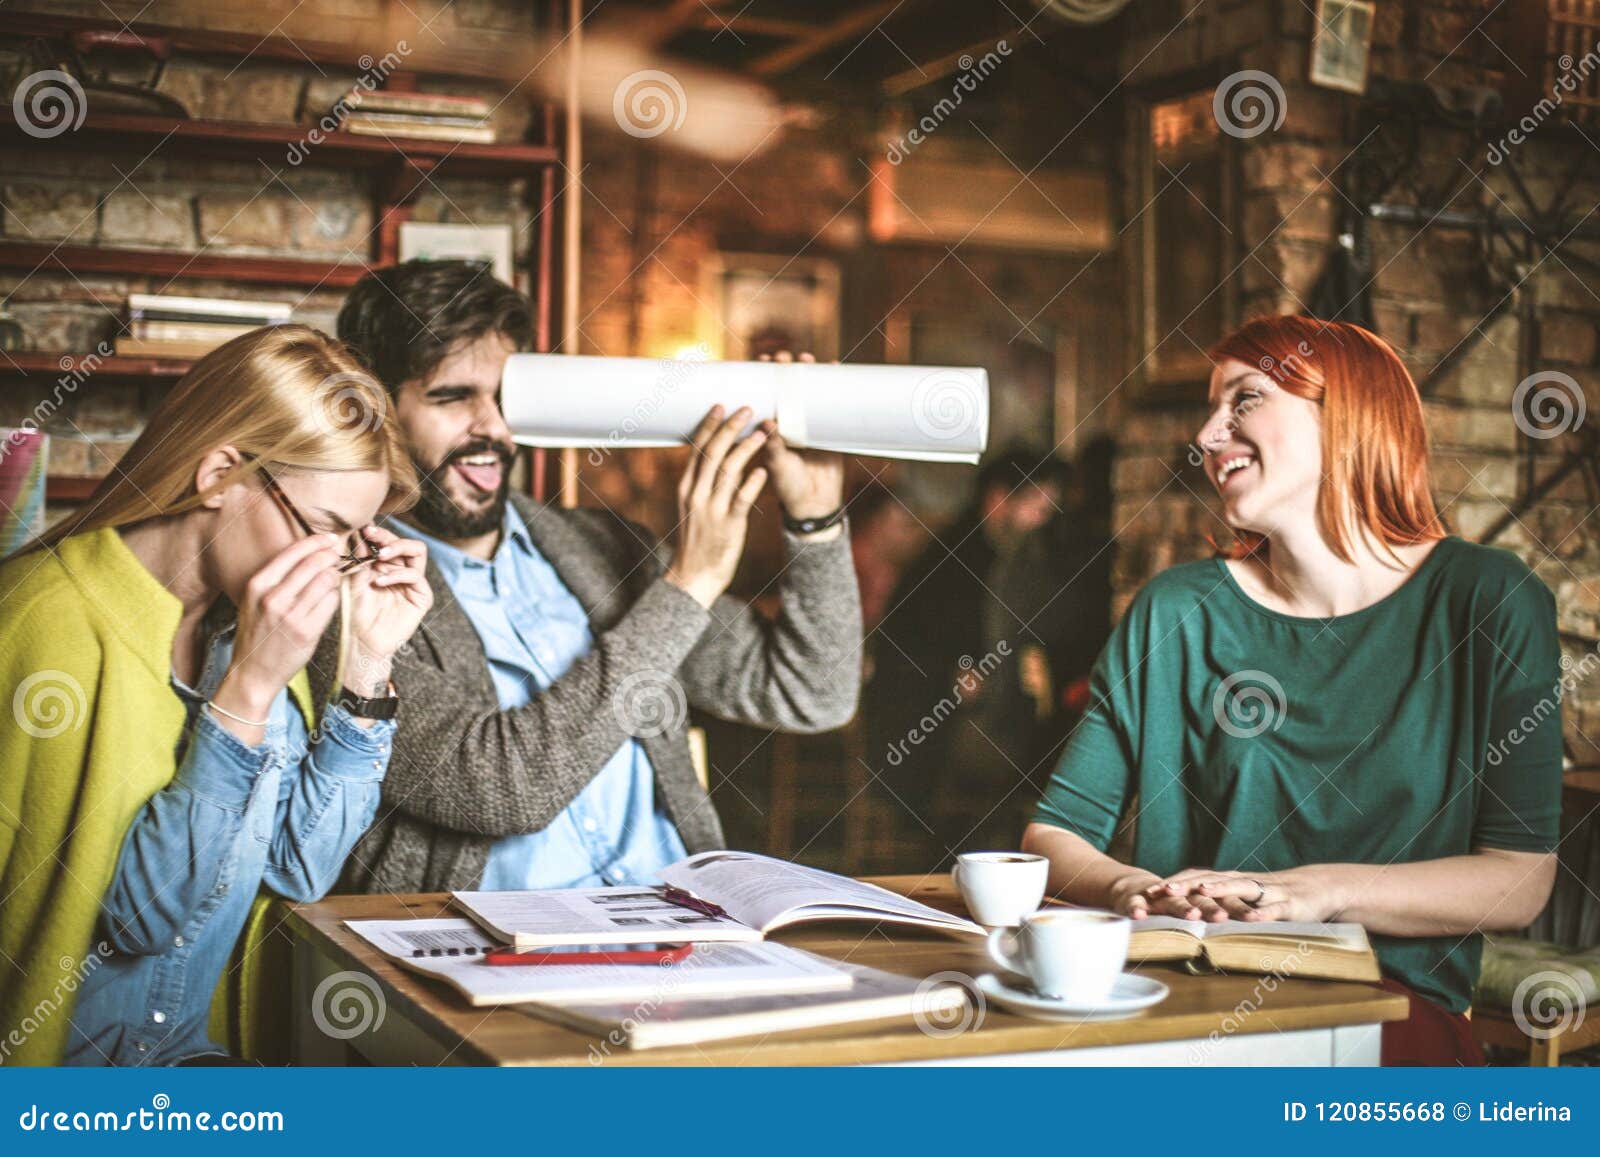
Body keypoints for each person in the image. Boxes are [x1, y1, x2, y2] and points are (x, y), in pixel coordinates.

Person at [1022, 315, 1563, 1065]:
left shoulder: (1488, 601)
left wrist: (1317, 892)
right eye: (1211, 410)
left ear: (1345, 416)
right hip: (1179, 1000)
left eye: (1244, 400)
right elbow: (1054, 835)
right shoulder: (1176, 611)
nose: (1208, 436)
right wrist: (1135, 892)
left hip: (1382, 1010)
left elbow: (1521, 876)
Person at [327, 260, 862, 895]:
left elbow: (813, 694)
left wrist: (814, 520)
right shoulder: (347, 589)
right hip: (493, 942)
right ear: (378, 412)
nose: (492, 428)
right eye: (453, 397)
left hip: (682, 918)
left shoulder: (605, 545)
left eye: (503, 399)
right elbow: (500, 791)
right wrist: (687, 587)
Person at [0, 326, 431, 1066]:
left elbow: (296, 866)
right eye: (323, 529)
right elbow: (144, 919)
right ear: (220, 475)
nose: (339, 567)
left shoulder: (245, 628)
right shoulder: (44, 623)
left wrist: (366, 665)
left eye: (356, 539)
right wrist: (247, 695)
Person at [867, 450, 1065, 864]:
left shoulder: (1002, 555)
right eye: (1036, 506)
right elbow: (929, 647)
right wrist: (963, 674)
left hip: (955, 714)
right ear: (999, 498)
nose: (1041, 519)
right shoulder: (955, 557)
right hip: (922, 719)